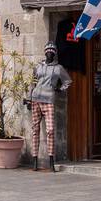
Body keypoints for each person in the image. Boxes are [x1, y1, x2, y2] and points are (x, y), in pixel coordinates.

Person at [26, 41, 70, 172]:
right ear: (45, 52)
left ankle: (51, 160)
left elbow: (67, 81)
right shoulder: (37, 67)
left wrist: (59, 89)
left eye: (52, 51)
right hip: (35, 100)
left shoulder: (59, 68)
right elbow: (32, 83)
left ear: (55, 53)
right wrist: (29, 99)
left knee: (50, 130)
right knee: (35, 130)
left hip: (49, 100)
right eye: (48, 50)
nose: (49, 53)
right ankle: (35, 160)